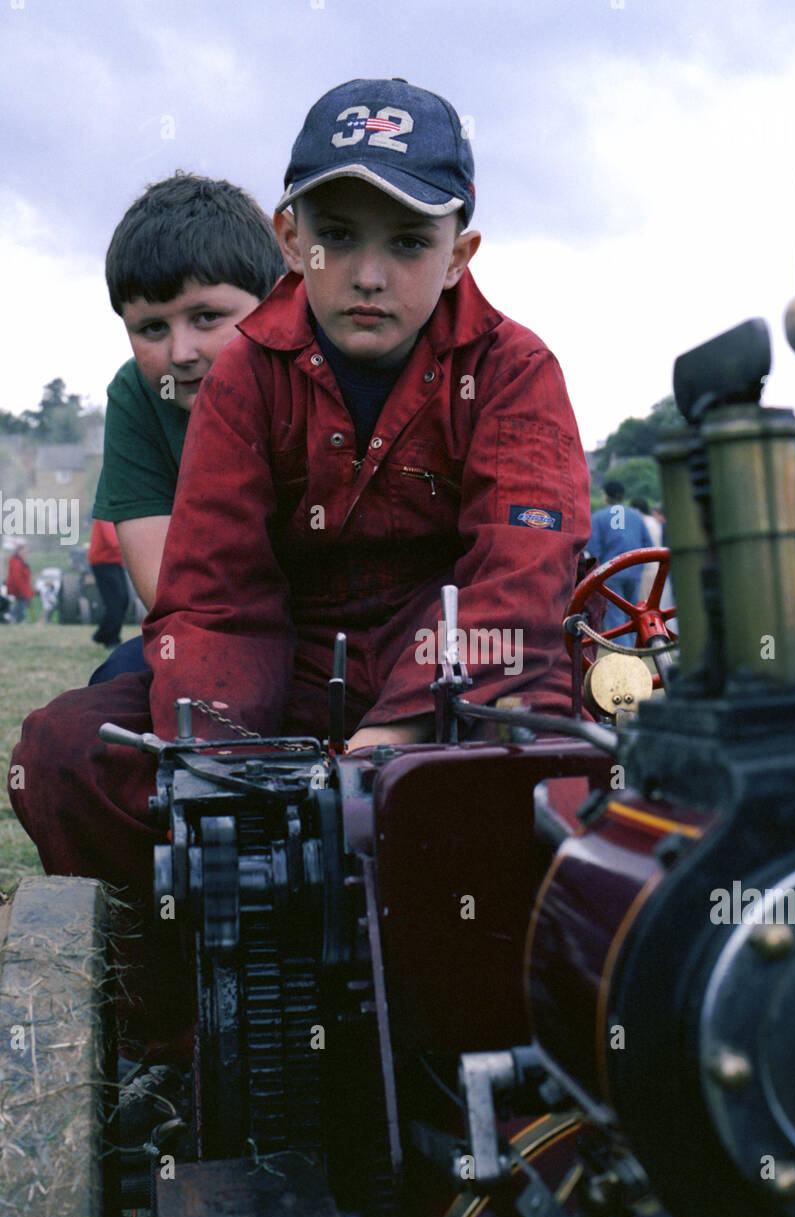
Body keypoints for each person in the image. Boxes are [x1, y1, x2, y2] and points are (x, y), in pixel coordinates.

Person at [9, 76, 590, 1060]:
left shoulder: (514, 367)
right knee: (65, 754)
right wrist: (229, 772)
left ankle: (513, 1047)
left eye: (407, 242)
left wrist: (390, 740)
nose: (369, 273)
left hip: (458, 677)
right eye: (339, 236)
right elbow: (220, 593)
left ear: (461, 253)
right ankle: (192, 1031)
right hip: (289, 684)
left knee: (573, 814)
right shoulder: (245, 370)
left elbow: (517, 574)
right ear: (290, 241)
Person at [89, 172, 285, 683]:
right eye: (152, 328)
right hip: (218, 632)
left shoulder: (316, 371)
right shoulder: (135, 396)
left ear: (276, 300)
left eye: (206, 317)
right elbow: (167, 593)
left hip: (347, 636)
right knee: (114, 683)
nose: (181, 353)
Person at [586, 480, 653, 645]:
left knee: (615, 615)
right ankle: (635, 650)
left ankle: (626, 653)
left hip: (611, 570)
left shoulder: (598, 517)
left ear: (606, 496)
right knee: (632, 613)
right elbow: (648, 543)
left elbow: (593, 547)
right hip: (634, 569)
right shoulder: (636, 515)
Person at [88, 519, 129, 650]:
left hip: (115, 563)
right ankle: (110, 639)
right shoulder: (105, 515)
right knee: (115, 602)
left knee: (123, 600)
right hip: (103, 564)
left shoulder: (117, 515)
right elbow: (113, 541)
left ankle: (102, 634)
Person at [5, 541, 34, 623]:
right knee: (22, 603)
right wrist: (21, 590)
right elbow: (16, 577)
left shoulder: (20, 561)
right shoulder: (16, 561)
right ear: (19, 551)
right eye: (24, 550)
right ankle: (11, 615)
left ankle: (18, 620)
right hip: (18, 587)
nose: (25, 552)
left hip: (23, 587)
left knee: (23, 603)